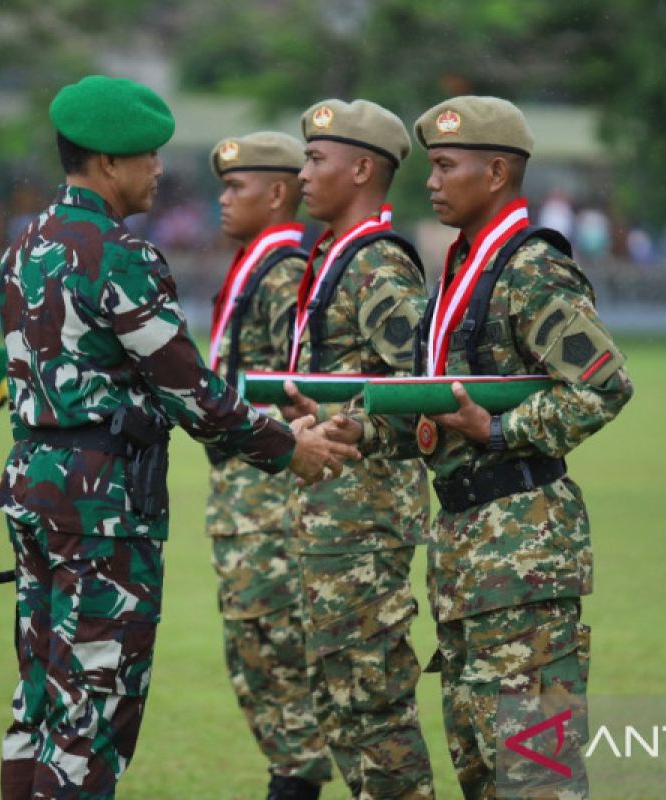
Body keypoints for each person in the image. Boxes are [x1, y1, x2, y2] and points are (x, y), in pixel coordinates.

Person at [0, 76, 357, 800]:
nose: (159, 170)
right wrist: (291, 446)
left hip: (36, 487)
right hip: (101, 510)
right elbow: (192, 392)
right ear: (105, 163)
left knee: (37, 698)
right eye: (147, 157)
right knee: (91, 712)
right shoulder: (118, 254)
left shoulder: (25, 245)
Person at [325, 96, 635, 798]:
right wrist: (363, 428)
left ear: (496, 172)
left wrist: (501, 431)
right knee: (480, 770)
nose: (430, 183)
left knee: (536, 774)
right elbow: (436, 407)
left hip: (523, 549)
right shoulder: (457, 278)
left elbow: (605, 386)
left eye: (444, 168)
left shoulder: (531, 272)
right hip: (468, 552)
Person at [284, 98, 435, 799]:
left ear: (363, 168)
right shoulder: (337, 257)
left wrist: (338, 411)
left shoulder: (377, 266)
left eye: (317, 159)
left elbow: (416, 386)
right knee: (341, 700)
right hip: (333, 512)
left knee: (371, 703)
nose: (303, 172)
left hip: (365, 516)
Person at [205, 131, 333, 800]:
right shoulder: (257, 265)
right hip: (245, 507)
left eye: (236, 188)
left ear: (278, 192)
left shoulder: (283, 272)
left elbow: (298, 391)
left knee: (282, 672)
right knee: (258, 668)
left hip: (272, 510)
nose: (222, 201)